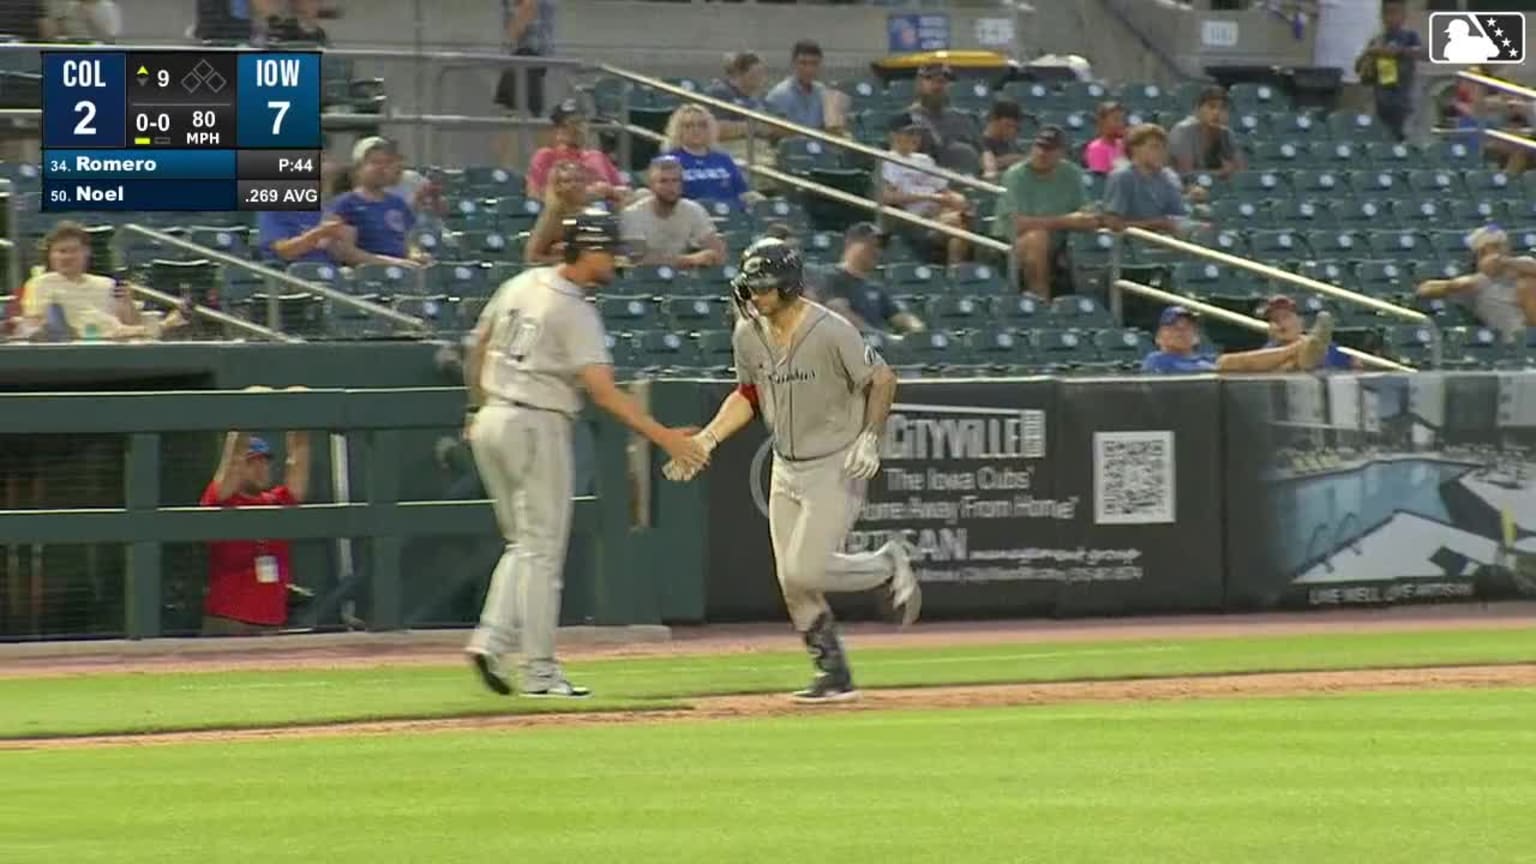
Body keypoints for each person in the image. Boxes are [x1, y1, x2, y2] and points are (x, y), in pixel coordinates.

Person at [660, 239, 918, 704]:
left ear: (788, 285)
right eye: (751, 287)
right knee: (790, 581)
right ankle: (833, 674)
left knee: (806, 570)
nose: (754, 296)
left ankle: (886, 563)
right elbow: (748, 394)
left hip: (835, 461)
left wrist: (871, 438)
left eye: (763, 288)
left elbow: (882, 378)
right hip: (786, 465)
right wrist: (707, 439)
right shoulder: (748, 334)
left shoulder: (829, 329)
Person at [462, 210, 708, 698]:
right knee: (542, 553)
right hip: (537, 421)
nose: (616, 260)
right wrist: (664, 437)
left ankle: (492, 641)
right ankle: (538, 671)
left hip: (494, 417)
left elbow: (477, 344)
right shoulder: (575, 309)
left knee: (524, 545)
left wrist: (477, 407)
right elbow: (603, 391)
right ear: (587, 251)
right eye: (610, 251)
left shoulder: (523, 281)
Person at [199, 387, 312, 637]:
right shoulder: (223, 498)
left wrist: (301, 408)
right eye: (253, 462)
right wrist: (246, 409)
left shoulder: (277, 500)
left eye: (265, 461)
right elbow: (232, 460)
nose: (261, 468)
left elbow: (298, 458)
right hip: (228, 622)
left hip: (271, 624)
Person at [17, 221, 185, 341]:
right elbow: (35, 324)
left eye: (73, 251)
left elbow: (130, 321)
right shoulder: (40, 284)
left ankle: (167, 324)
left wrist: (126, 302)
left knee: (137, 332)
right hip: (86, 343)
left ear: (86, 252)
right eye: (61, 251)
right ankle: (166, 325)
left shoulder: (106, 284)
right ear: (50, 255)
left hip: (121, 340)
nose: (67, 257)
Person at [993, 126, 1100, 298]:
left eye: (1049, 149)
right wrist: (1066, 221)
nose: (1042, 153)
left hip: (1060, 244)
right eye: (1039, 147)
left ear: (1061, 153)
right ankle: (1042, 301)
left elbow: (1087, 213)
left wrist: (1086, 219)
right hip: (1010, 244)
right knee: (1038, 237)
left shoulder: (1071, 173)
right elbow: (1017, 223)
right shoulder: (1015, 175)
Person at [1415, 226, 1536, 341]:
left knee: (1528, 284)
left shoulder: (1522, 267)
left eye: (1503, 245)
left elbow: (1529, 265)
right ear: (1480, 253)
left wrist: (1505, 262)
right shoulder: (1475, 283)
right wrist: (1453, 285)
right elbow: (1425, 289)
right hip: (1515, 341)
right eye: (1495, 247)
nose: (1502, 251)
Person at [879, 114, 970, 266]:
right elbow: (887, 196)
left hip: (938, 214)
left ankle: (956, 273)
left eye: (917, 133)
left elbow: (944, 190)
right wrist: (930, 197)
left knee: (962, 219)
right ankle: (956, 273)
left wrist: (956, 199)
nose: (915, 137)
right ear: (893, 135)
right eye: (909, 133)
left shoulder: (924, 160)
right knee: (959, 223)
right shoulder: (887, 160)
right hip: (914, 221)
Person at [1141, 306, 1336, 374]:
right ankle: (1305, 347)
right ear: (1159, 338)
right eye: (1174, 327)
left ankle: (1305, 356)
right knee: (1229, 362)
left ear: (1197, 337)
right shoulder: (1157, 359)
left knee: (1287, 368)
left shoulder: (1205, 357)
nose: (1181, 332)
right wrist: (1297, 345)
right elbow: (1224, 369)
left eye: (1187, 328)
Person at [817, 222, 926, 336]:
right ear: (851, 244)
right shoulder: (829, 276)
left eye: (880, 246)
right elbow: (840, 314)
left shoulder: (875, 288)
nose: (877, 251)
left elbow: (899, 316)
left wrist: (918, 329)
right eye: (870, 244)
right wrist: (879, 336)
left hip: (878, 347)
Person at [326, 138, 421, 267]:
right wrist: (391, 263)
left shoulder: (398, 203)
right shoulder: (345, 204)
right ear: (358, 168)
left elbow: (409, 241)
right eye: (375, 162)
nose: (382, 168)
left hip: (404, 271)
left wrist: (416, 255)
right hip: (367, 274)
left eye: (387, 163)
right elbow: (345, 252)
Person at [620, 156, 726, 268]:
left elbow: (717, 251)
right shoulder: (632, 214)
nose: (670, 187)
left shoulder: (693, 210)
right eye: (663, 181)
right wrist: (689, 260)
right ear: (651, 185)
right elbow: (638, 258)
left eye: (675, 181)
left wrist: (710, 255)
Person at [525, 100, 628, 204]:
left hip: (609, 216)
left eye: (581, 122)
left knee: (642, 194)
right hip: (568, 217)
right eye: (570, 124)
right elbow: (534, 195)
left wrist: (609, 191)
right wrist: (587, 194)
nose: (578, 129)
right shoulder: (546, 156)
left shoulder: (597, 156)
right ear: (557, 130)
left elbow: (625, 191)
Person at [494, 0, 555, 166]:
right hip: (528, 54)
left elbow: (528, 6)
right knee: (520, 114)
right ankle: (548, 169)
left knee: (521, 116)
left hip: (525, 54)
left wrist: (510, 36)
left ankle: (505, 173)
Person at [1102, 124, 1192, 235]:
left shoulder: (1167, 177)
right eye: (1154, 147)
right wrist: (1154, 224)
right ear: (1135, 149)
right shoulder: (1122, 176)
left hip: (1166, 241)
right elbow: (1112, 223)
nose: (1161, 153)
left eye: (1163, 147)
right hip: (1131, 245)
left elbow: (1178, 215)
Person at [1354, 0, 1423, 142]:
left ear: (1403, 16)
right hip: (1381, 100)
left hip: (1403, 99)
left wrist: (1399, 52)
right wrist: (1370, 53)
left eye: (1394, 13)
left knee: (1402, 138)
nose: (1390, 18)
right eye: (1386, 13)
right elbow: (1358, 68)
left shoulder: (1409, 36)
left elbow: (1423, 53)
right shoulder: (1378, 39)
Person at [662, 104, 750, 210]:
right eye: (688, 126)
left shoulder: (723, 159)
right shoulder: (669, 161)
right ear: (678, 130)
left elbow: (742, 193)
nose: (696, 130)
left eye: (702, 125)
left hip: (732, 216)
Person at [904, 63, 982, 174]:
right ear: (919, 84)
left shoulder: (962, 118)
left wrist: (989, 171)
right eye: (931, 79)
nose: (938, 85)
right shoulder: (908, 119)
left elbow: (984, 151)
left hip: (974, 180)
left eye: (942, 81)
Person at [763, 40, 845, 134]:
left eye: (814, 64)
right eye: (803, 63)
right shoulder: (779, 95)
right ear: (793, 63)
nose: (809, 69)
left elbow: (835, 130)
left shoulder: (823, 91)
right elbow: (777, 133)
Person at [1257, 295, 1359, 370]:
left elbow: (1355, 363)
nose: (1281, 324)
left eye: (1286, 317)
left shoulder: (1325, 344)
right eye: (1275, 320)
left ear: (1300, 321)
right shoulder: (1267, 351)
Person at [1167, 86, 1244, 179]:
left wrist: (1231, 170)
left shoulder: (1226, 134)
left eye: (1222, 108)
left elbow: (1241, 170)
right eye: (1211, 106)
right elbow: (1186, 174)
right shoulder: (1183, 131)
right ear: (1197, 110)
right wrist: (1220, 173)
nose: (1217, 112)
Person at [524, 161, 587, 264]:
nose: (574, 185)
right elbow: (531, 257)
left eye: (579, 180)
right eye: (567, 181)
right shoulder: (552, 215)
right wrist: (567, 260)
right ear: (557, 187)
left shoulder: (591, 211)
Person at [979, 100, 1026, 182]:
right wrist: (1006, 160)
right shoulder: (978, 142)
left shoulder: (1012, 145)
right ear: (994, 119)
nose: (1011, 130)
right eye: (1007, 125)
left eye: (1015, 127)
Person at [1083, 101, 1128, 175]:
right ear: (1102, 122)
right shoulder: (1097, 148)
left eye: (1122, 119)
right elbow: (1100, 181)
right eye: (1116, 119)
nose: (1121, 124)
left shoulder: (1124, 145)